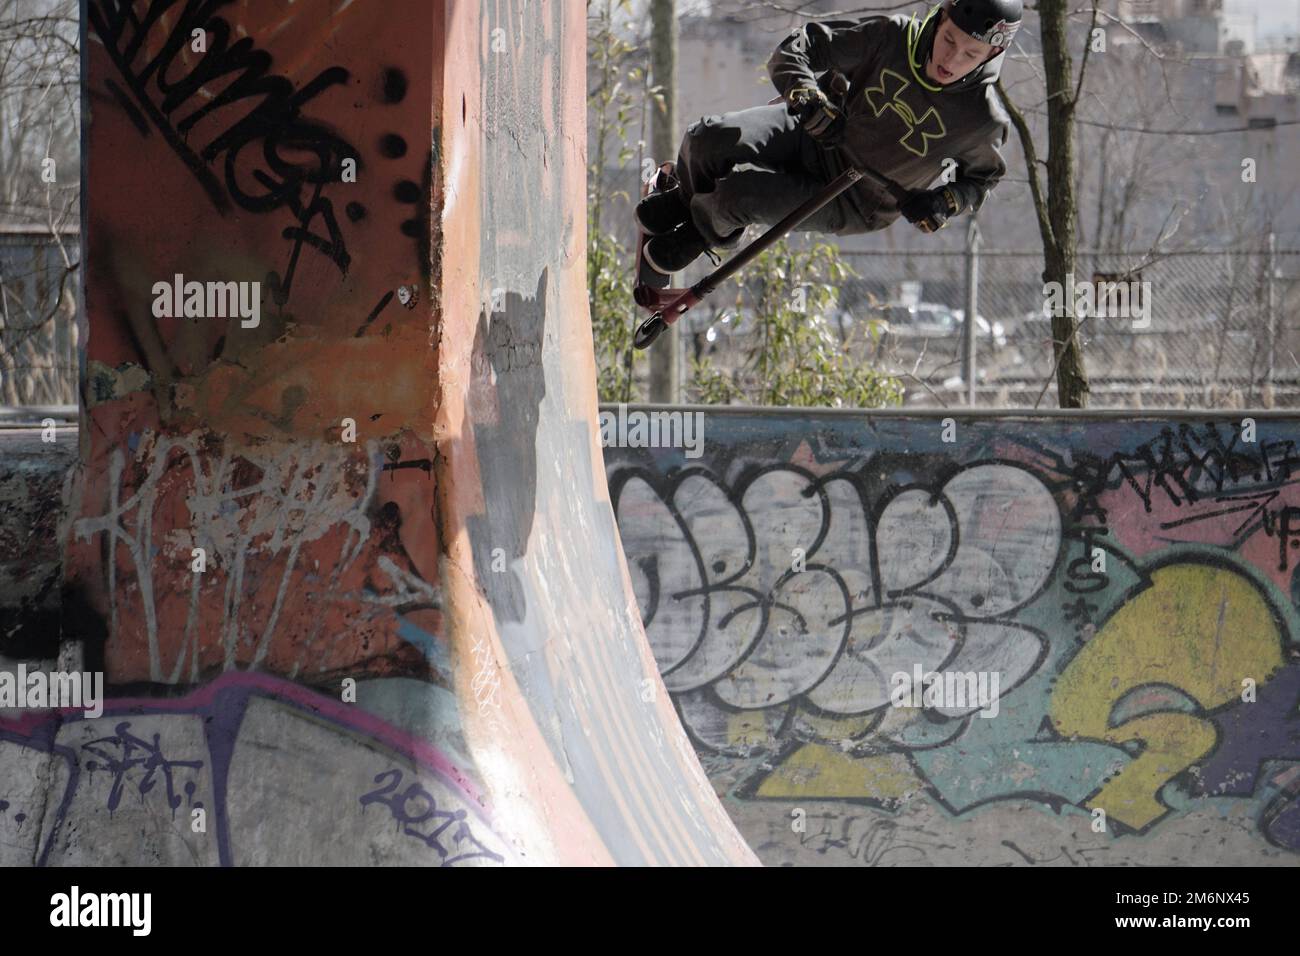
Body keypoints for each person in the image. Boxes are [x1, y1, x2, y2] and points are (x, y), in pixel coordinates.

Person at [637, 0, 1021, 276]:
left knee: (741, 195)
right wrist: (807, 97)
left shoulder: (982, 118)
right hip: (816, 133)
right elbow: (798, 48)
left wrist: (945, 201)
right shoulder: (893, 37)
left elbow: (983, 179)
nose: (951, 60)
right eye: (950, 40)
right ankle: (686, 200)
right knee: (707, 137)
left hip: (856, 197)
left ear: (990, 56)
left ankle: (704, 229)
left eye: (971, 54)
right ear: (939, 20)